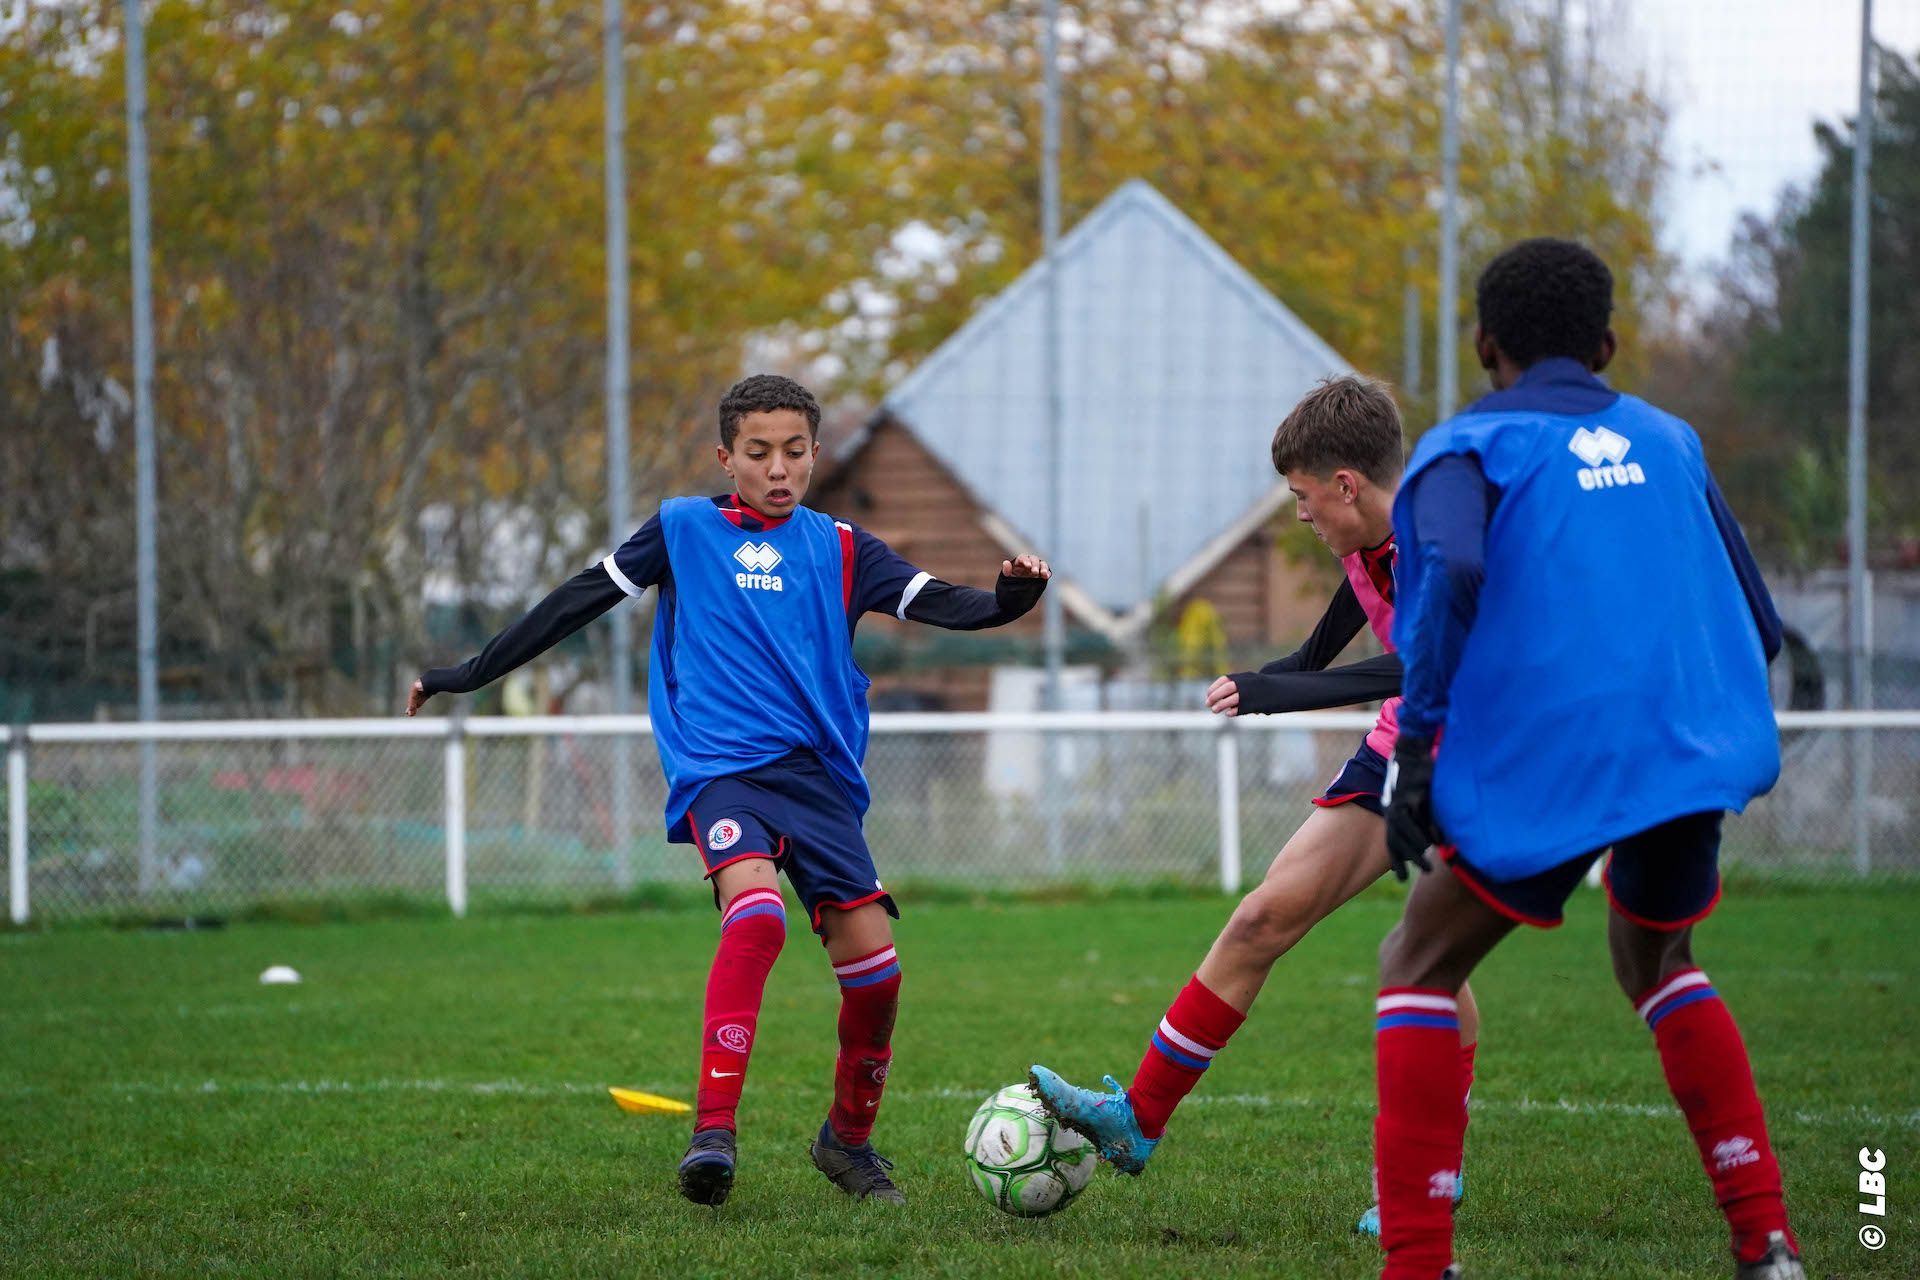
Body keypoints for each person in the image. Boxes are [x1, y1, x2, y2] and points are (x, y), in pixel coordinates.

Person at [405, 373, 1050, 1208]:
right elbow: (573, 604)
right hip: (723, 771)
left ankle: (847, 1145)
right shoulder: (682, 530)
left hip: (819, 781)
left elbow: (941, 602)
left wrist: (1009, 600)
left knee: (878, 974)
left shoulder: (844, 547)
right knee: (756, 915)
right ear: (726, 456)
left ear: (816, 454)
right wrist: (468, 672)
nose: (778, 469)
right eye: (758, 453)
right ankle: (713, 1134)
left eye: (794, 452)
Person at [1373, 238, 1800, 1280]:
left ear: (1485, 346)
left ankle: (1415, 1266)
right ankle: (1767, 1242)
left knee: (1417, 963)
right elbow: (1761, 617)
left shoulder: (1463, 449)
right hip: (1685, 748)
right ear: (1607, 342)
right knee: (1658, 959)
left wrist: (1418, 751)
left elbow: (1456, 569)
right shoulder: (1672, 438)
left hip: (1554, 756)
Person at [1027, 375, 1480, 1235]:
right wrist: (1282, 673)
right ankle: (1139, 1120)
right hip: (1404, 736)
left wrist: (1282, 695)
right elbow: (1352, 608)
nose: (1300, 515)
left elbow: (1419, 663)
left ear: (1347, 484)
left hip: (1482, 742)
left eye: (1304, 497)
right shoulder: (1370, 531)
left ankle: (1429, 1175)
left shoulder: (1441, 539)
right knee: (1260, 919)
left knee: (1432, 956)